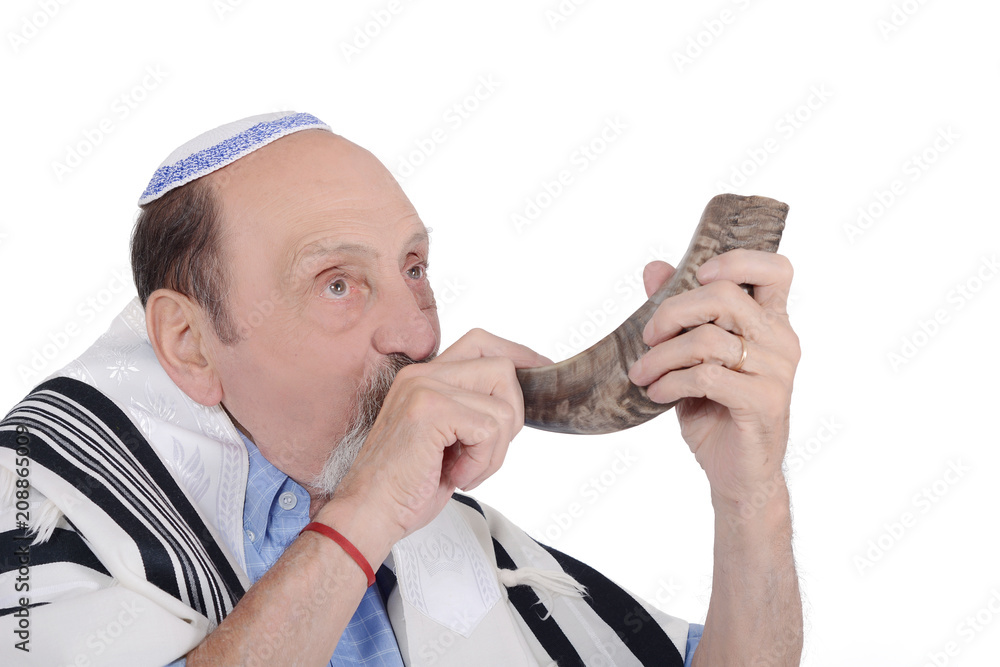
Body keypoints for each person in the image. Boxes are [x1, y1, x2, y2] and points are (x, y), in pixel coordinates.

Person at [0, 112, 802, 666]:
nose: (417, 336)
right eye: (339, 284)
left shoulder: (448, 537)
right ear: (189, 341)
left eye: (414, 269)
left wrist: (751, 495)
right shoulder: (31, 502)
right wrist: (366, 513)